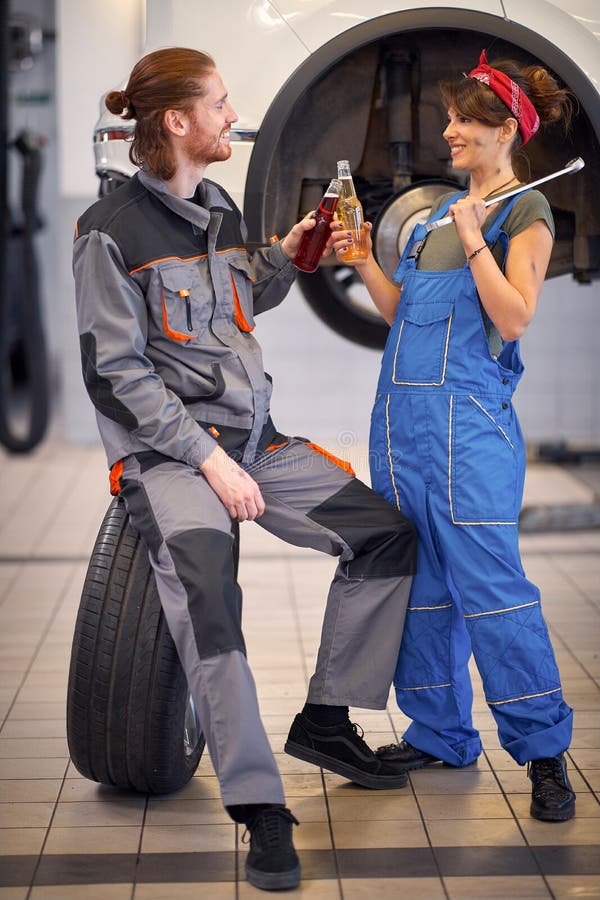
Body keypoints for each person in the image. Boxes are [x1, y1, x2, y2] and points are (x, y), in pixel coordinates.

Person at [72, 47, 417, 892]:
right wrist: (211, 466)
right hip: (172, 461)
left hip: (256, 438)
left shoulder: (217, 206)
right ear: (178, 123)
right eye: (220, 105)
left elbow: (241, 295)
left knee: (385, 538)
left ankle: (328, 718)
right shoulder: (106, 234)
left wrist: (291, 255)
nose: (234, 116)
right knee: (211, 610)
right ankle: (262, 808)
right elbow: (115, 377)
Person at [328, 50, 576, 823]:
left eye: (467, 120)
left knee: (493, 594)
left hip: (467, 431)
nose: (450, 131)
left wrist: (477, 238)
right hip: (401, 428)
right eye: (450, 118)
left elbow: (513, 318)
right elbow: (405, 313)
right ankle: (440, 734)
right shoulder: (435, 211)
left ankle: (542, 754)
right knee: (421, 591)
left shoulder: (522, 215)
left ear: (506, 131)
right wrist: (365, 260)